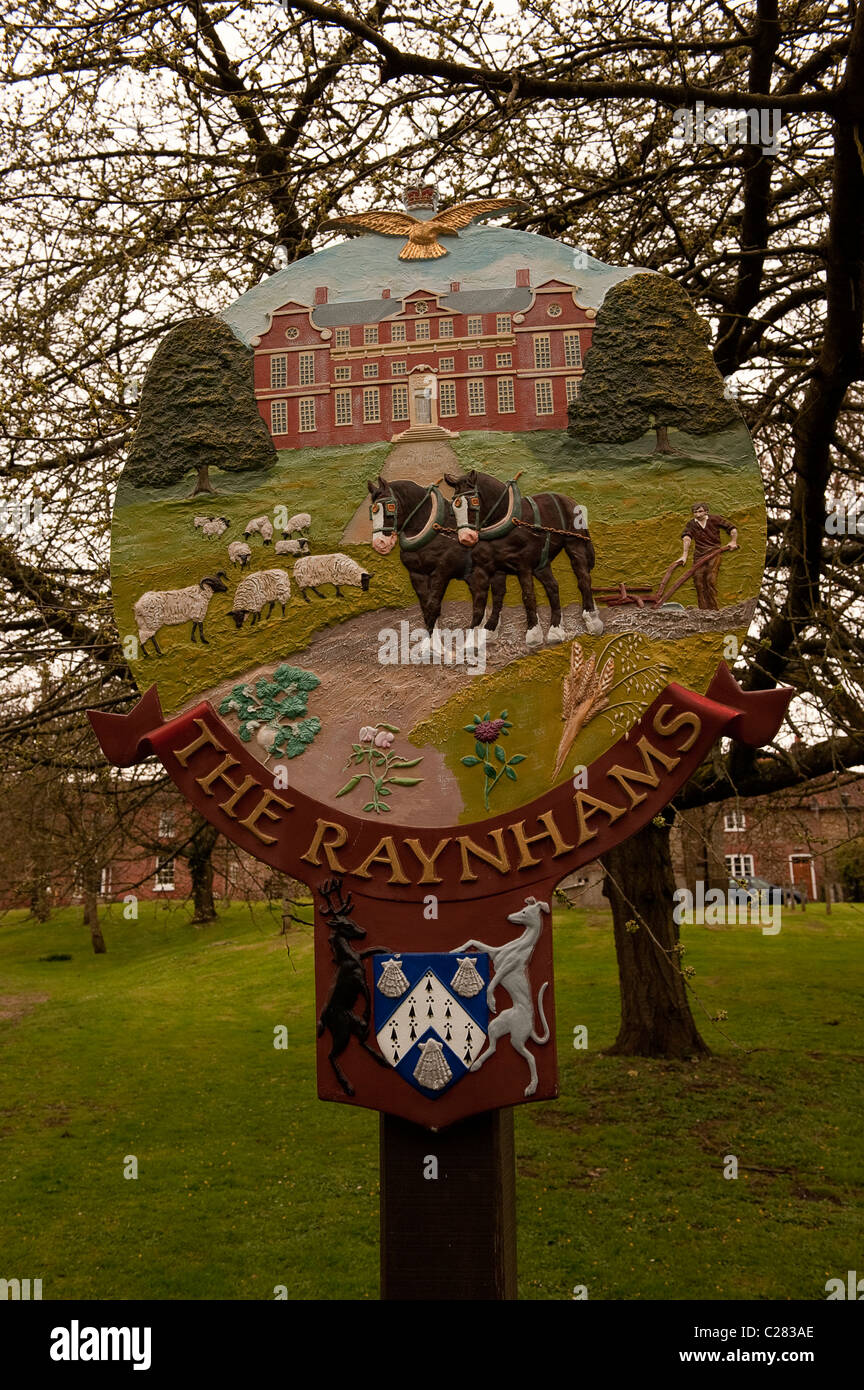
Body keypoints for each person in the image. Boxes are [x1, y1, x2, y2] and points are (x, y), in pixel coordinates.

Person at [679, 502, 738, 610]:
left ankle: (714, 609)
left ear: (706, 511)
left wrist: (733, 541)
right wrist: (684, 555)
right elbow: (687, 538)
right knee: (698, 581)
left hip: (714, 552)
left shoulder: (714, 519)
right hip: (699, 555)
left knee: (710, 580)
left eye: (700, 511)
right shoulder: (692, 524)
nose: (697, 514)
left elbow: (732, 528)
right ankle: (703, 610)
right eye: (695, 512)